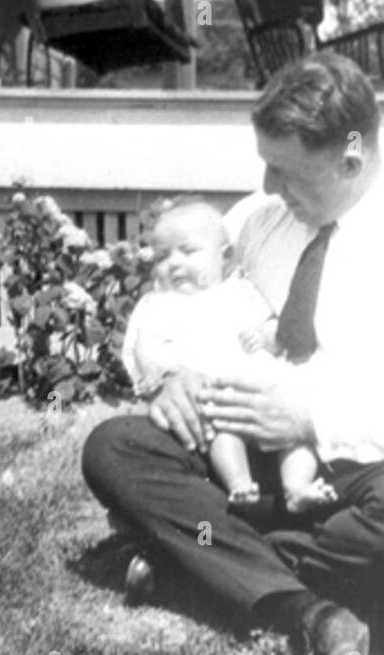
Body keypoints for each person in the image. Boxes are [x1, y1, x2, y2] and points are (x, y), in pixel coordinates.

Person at [82, 53, 384, 655]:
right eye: (264, 165)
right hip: (237, 450)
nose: (267, 183)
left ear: (348, 157)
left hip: (358, 460)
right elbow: (169, 308)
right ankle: (313, 613)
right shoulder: (256, 219)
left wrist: (312, 419)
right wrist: (163, 378)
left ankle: (191, 557)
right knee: (113, 449)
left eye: (285, 169)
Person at [122, 198, 336, 512]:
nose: (175, 264)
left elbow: (275, 332)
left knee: (296, 438)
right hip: (215, 396)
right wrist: (161, 374)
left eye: (188, 251)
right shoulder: (159, 304)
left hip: (264, 393)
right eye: (163, 257)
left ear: (225, 258)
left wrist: (264, 336)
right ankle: (240, 486)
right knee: (223, 432)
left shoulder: (239, 291)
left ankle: (297, 487)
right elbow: (144, 350)